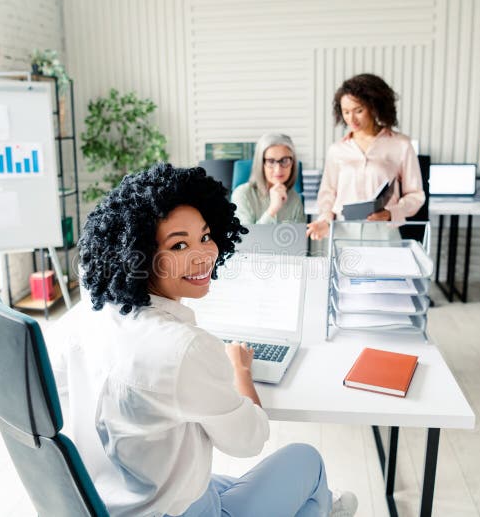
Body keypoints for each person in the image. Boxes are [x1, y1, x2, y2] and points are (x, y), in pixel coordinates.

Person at [65, 164, 358, 516]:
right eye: (179, 245)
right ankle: (325, 507)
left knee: (229, 484)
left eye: (205, 237)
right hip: (179, 510)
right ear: (137, 253)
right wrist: (240, 371)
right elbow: (249, 440)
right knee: (307, 461)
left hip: (113, 498)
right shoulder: (184, 347)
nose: (204, 255)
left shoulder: (87, 316)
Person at [306, 73, 424, 240]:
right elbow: (328, 194)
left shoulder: (401, 145)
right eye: (346, 112)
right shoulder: (337, 150)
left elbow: (415, 195)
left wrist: (391, 213)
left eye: (358, 111)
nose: (351, 119)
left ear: (374, 107)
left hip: (383, 233)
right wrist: (324, 220)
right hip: (343, 232)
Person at [230, 132, 306, 224]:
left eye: (285, 160)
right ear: (261, 164)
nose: (278, 169)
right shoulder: (242, 194)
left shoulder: (294, 198)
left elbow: (300, 233)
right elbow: (245, 234)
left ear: (292, 163)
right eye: (271, 161)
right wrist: (272, 210)